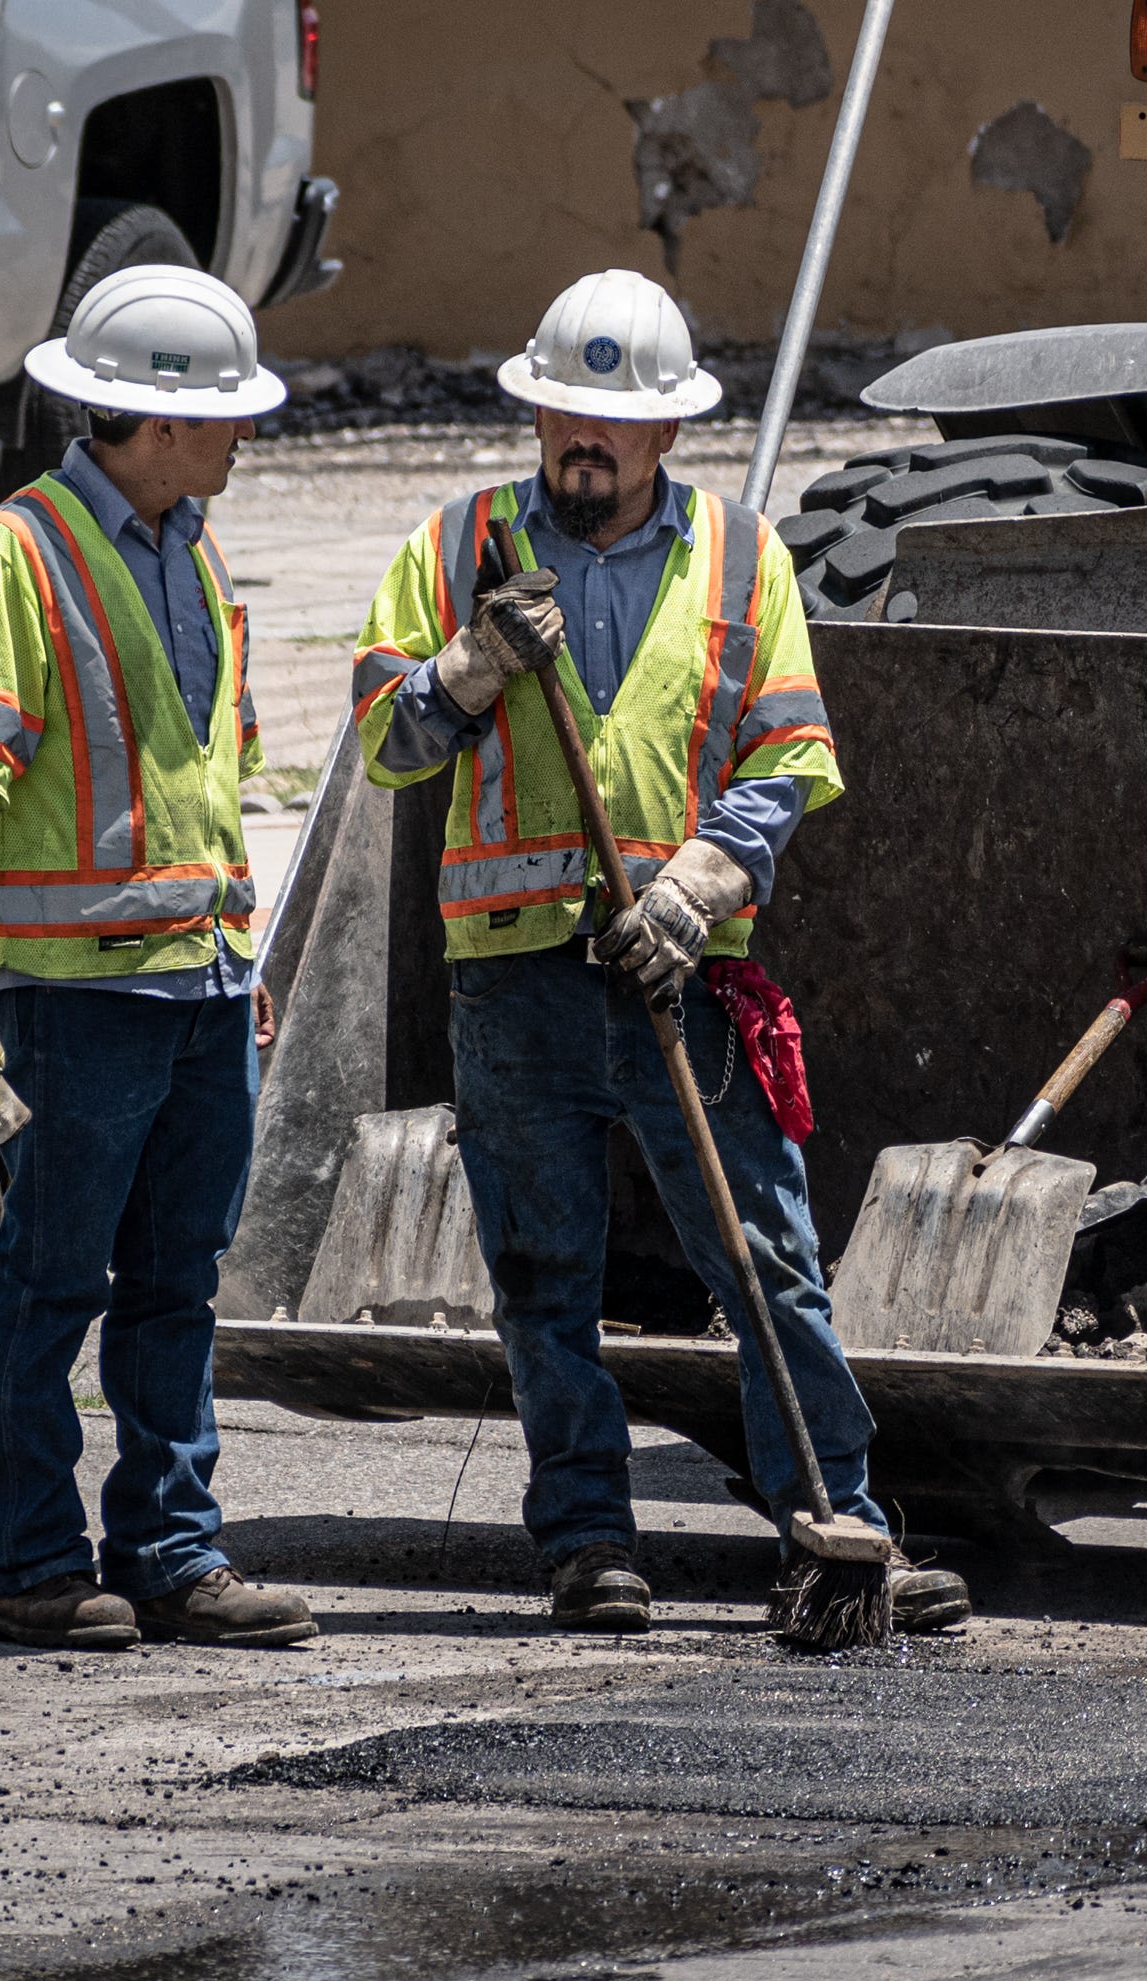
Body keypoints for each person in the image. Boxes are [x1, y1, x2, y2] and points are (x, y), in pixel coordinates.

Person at [349, 268, 969, 1638]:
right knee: (540, 1270)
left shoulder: (748, 561)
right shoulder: (460, 549)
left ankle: (840, 1512)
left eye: (608, 422)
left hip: (680, 975)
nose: (581, 439)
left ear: (667, 434)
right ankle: (586, 1540)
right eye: (560, 411)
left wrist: (697, 883)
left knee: (765, 1256)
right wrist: (460, 672)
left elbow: (791, 751)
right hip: (513, 979)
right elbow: (383, 742)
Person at [0, 265, 314, 1651]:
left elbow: (213, 776)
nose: (245, 437)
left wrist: (242, 963)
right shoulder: (18, 556)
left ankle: (171, 1550)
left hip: (191, 982)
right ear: (150, 419)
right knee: (57, 1279)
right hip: (77, 995)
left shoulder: (190, 544)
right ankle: (31, 1562)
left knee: (177, 1279)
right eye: (225, 416)